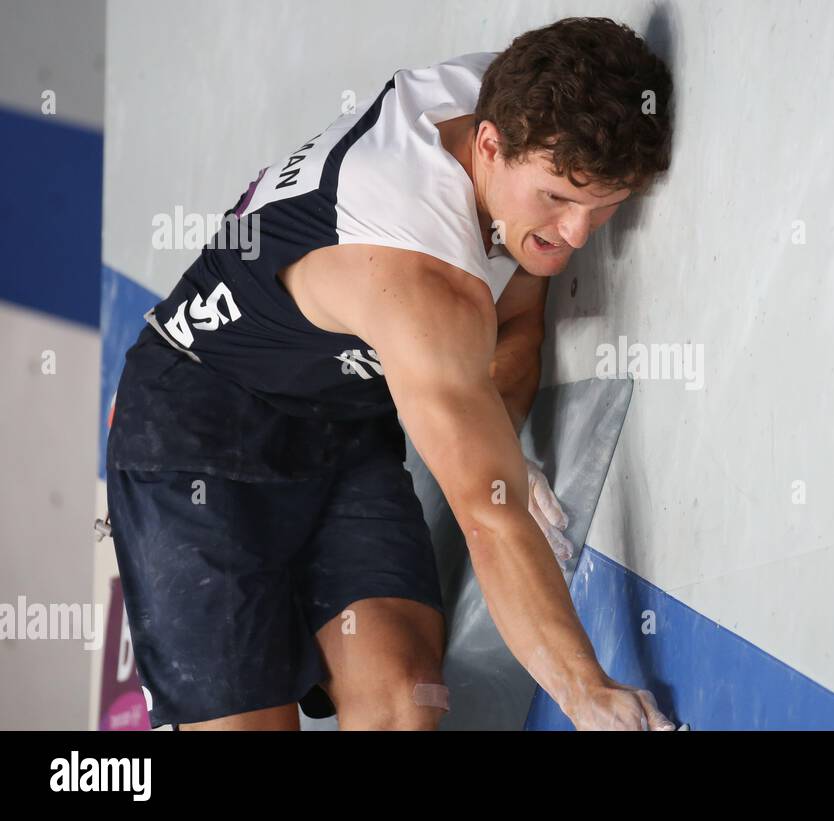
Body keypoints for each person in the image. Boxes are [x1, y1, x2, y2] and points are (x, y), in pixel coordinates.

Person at [104, 16, 675, 731]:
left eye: (606, 209)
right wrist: (586, 689)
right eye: (558, 199)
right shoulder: (422, 277)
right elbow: (488, 517)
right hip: (194, 429)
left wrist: (494, 433)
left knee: (407, 702)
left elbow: (522, 314)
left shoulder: (524, 98)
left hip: (340, 423)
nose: (576, 237)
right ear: (490, 146)